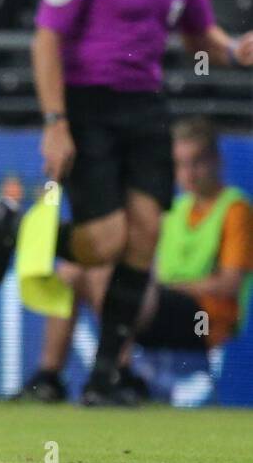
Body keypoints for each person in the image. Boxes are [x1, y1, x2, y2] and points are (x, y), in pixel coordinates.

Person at [0, 0, 253, 405]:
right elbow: (46, 37)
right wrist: (56, 121)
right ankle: (21, 228)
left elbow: (198, 31)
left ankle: (104, 376)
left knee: (144, 237)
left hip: (145, 103)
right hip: (88, 103)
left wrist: (233, 47)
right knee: (105, 242)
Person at [16, 117, 253, 402]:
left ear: (216, 160)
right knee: (74, 270)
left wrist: (166, 287)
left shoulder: (235, 209)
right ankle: (50, 376)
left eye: (196, 162)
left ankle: (119, 372)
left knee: (108, 275)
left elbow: (229, 284)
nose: (188, 173)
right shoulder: (175, 209)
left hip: (205, 316)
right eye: (179, 164)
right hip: (160, 304)